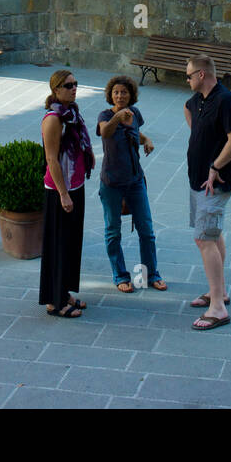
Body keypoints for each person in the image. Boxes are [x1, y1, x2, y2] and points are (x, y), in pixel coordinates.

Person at [184, 54, 231, 331]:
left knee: (203, 239)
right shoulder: (197, 101)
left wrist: (215, 165)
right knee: (213, 234)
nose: (187, 79)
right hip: (198, 180)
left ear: (202, 75)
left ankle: (217, 308)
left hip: (215, 182)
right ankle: (219, 291)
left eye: (188, 75)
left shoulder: (225, 99)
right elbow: (189, 113)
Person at [96, 74, 167, 294]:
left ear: (131, 95)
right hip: (112, 183)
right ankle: (120, 276)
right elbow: (105, 132)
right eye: (116, 92)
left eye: (124, 92)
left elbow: (136, 132)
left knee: (146, 230)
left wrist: (147, 140)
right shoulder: (105, 115)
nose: (120, 95)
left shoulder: (135, 113)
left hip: (136, 181)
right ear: (110, 95)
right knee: (113, 231)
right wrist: (117, 117)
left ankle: (151, 274)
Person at [39, 69, 94, 319]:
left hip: (75, 185)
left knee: (71, 244)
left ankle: (63, 292)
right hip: (60, 191)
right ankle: (55, 301)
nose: (74, 88)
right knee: (59, 245)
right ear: (56, 89)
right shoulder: (53, 119)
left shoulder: (71, 113)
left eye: (76, 84)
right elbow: (51, 158)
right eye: (68, 85)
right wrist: (63, 194)